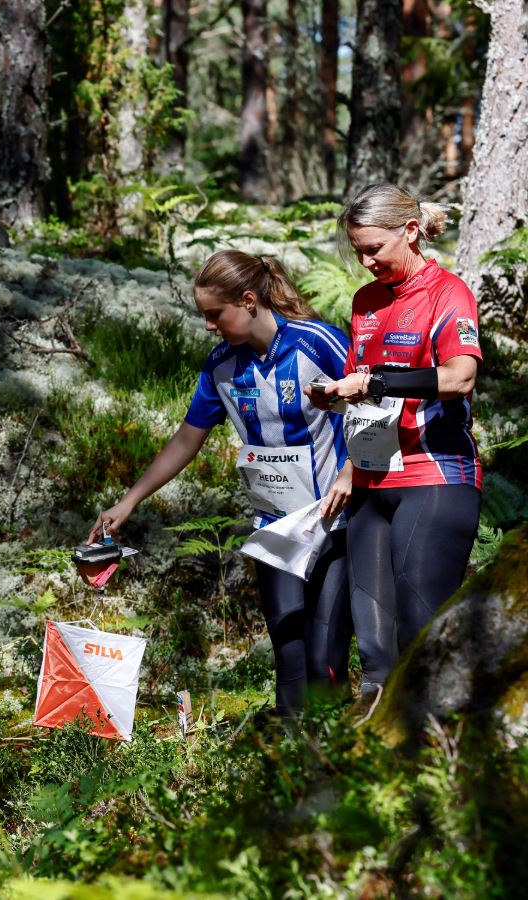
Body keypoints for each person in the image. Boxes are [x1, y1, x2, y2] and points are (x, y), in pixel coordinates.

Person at [89, 250, 353, 717]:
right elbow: (186, 439)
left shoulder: (318, 341)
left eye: (215, 314)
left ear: (249, 301)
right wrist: (128, 501)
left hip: (336, 522)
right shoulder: (220, 365)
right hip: (276, 527)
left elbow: (372, 409)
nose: (209, 325)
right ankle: (292, 754)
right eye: (204, 315)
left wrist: (352, 472)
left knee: (324, 654)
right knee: (289, 654)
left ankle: (339, 749)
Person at [311, 183, 482, 697]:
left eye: (374, 249)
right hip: (372, 480)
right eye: (358, 251)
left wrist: (376, 383)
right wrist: (335, 398)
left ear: (410, 231)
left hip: (435, 477)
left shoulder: (449, 292)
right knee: (376, 650)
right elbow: (362, 391)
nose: (366, 262)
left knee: (419, 636)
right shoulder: (365, 301)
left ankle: (439, 740)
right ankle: (375, 743)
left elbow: (460, 377)